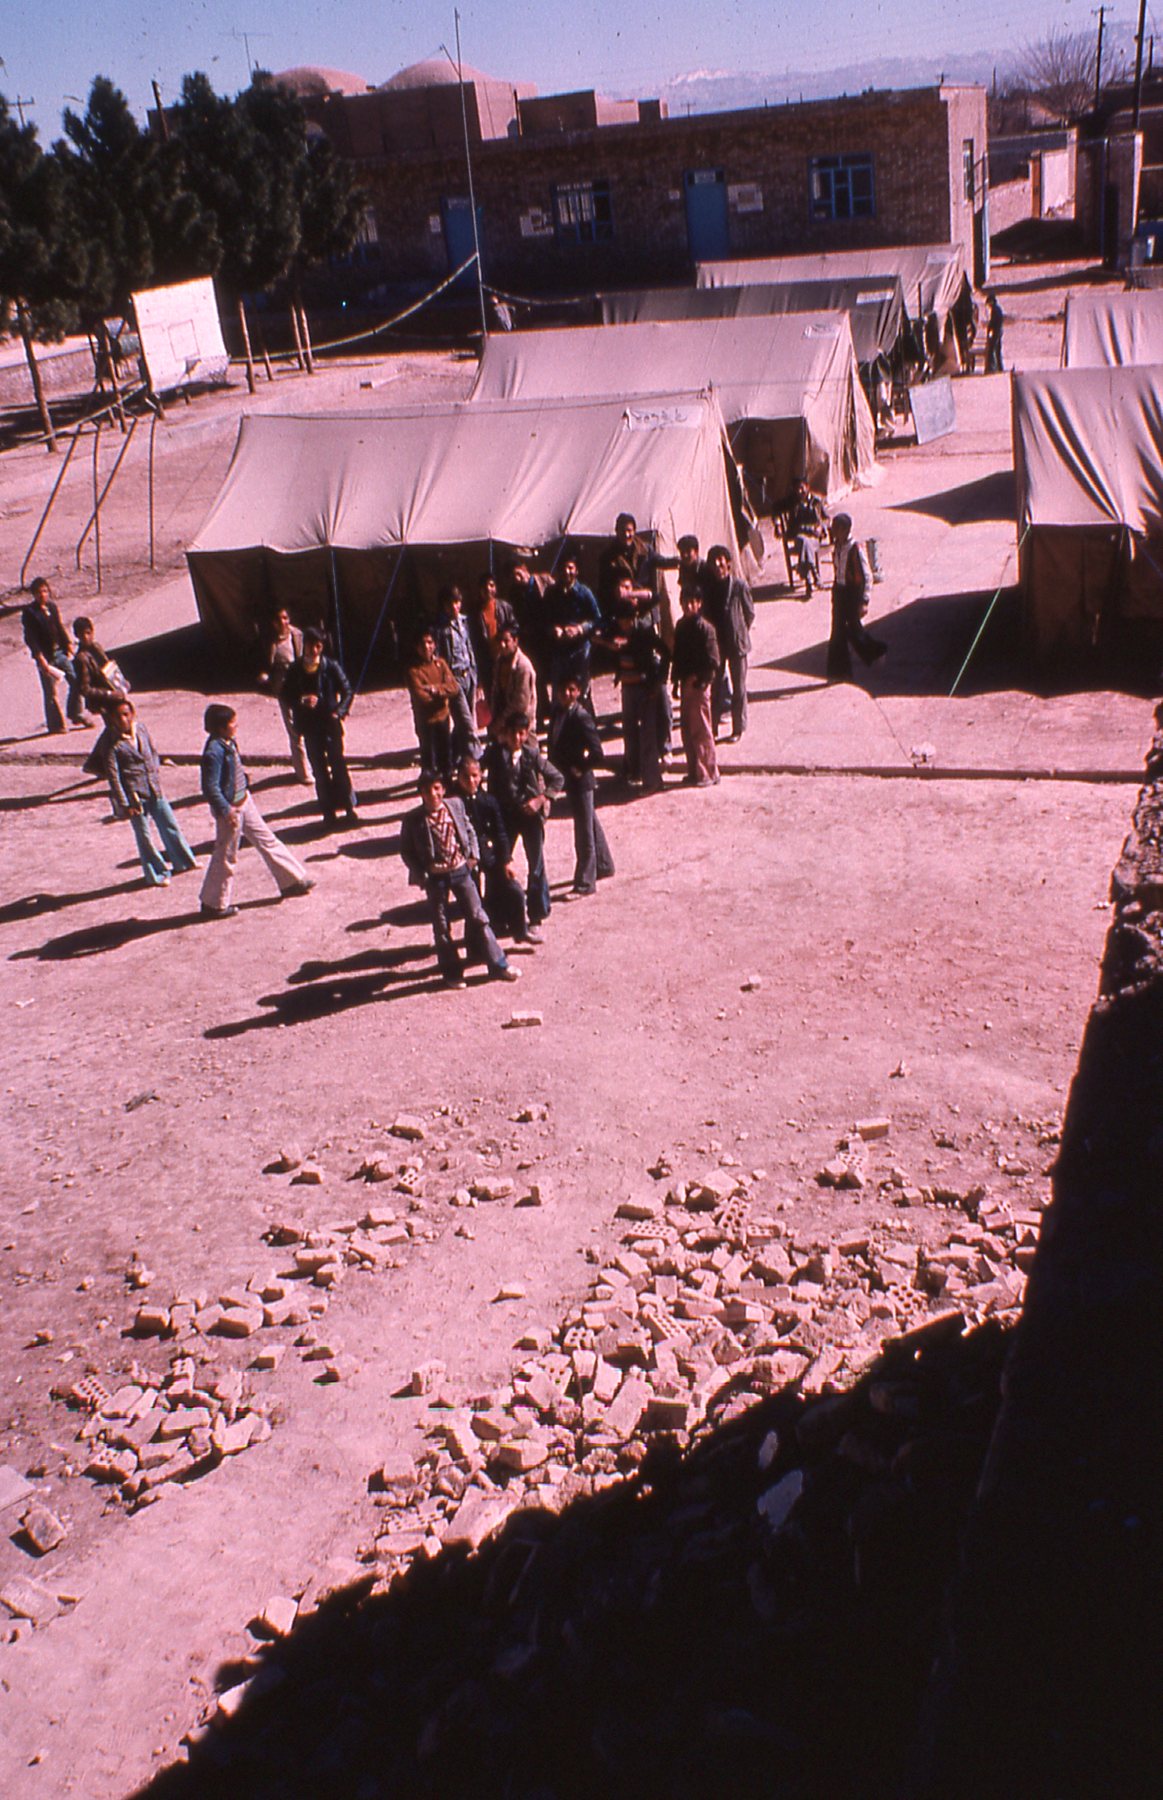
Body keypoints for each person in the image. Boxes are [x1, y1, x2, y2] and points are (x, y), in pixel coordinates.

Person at [399, 770, 520, 987]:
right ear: (421, 793)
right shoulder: (413, 819)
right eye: (427, 791)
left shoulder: (455, 805)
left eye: (437, 789)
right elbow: (406, 851)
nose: (433, 795)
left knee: (478, 917)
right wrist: (421, 872)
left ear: (443, 789)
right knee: (442, 927)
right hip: (435, 878)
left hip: (460, 871)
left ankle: (498, 964)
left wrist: (473, 856)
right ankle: (452, 972)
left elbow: (469, 829)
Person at [199, 704, 315, 919]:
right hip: (231, 809)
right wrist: (225, 810)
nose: (236, 726)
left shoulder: (228, 742)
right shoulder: (213, 753)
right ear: (221, 728)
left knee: (266, 839)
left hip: (244, 801)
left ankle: (291, 880)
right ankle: (213, 903)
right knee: (226, 855)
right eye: (232, 723)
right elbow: (210, 787)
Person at [104, 698, 198, 888]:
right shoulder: (112, 744)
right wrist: (124, 803)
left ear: (132, 714)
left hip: (154, 788)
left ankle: (183, 861)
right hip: (134, 797)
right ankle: (157, 873)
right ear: (112, 719)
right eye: (118, 716)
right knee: (144, 836)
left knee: (170, 824)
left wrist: (154, 772)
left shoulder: (141, 729)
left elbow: (153, 753)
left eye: (126, 714)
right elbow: (114, 777)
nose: (123, 720)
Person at [482, 713, 563, 929]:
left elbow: (557, 778)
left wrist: (541, 799)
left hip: (529, 816)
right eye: (512, 733)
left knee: (536, 864)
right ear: (505, 733)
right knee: (500, 861)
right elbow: (475, 769)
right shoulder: (495, 754)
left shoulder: (532, 755)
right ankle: (499, 914)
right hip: (505, 816)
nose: (516, 738)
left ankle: (537, 913)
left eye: (521, 733)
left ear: (526, 734)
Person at [452, 754, 541, 944]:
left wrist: (506, 860)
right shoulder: (454, 804)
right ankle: (476, 944)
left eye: (475, 776)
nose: (471, 781)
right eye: (466, 777)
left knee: (514, 890)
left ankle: (519, 930)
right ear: (458, 777)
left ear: (481, 776)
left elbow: (500, 833)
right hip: (465, 858)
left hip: (488, 853)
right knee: (473, 902)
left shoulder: (488, 801)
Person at [282, 627, 359, 829]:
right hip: (310, 727)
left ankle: (349, 808)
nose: (314, 650)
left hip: (330, 725)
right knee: (319, 771)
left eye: (318, 646)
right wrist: (301, 701)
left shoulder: (330, 666)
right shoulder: (295, 669)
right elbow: (285, 694)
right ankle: (328, 812)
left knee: (339, 766)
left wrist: (338, 712)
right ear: (304, 645)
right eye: (311, 645)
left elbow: (347, 691)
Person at [547, 675, 615, 897]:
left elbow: (597, 753)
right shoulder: (558, 712)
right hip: (568, 779)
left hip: (581, 781)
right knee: (589, 821)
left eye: (571, 690)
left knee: (583, 833)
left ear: (578, 692)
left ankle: (585, 883)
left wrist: (581, 768)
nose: (566, 694)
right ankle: (604, 864)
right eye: (562, 690)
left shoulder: (581, 716)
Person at [601, 589, 670, 792]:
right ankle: (634, 771)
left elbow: (665, 653)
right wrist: (611, 645)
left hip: (645, 687)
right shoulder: (615, 631)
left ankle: (653, 780)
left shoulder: (645, 632)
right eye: (622, 621)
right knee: (630, 732)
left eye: (628, 620)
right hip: (627, 687)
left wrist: (659, 681)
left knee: (648, 734)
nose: (625, 624)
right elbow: (597, 634)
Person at [670, 585, 721, 788]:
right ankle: (693, 771)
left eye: (693, 602)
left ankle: (708, 772)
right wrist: (676, 681)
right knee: (687, 729)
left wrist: (703, 680)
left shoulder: (706, 629)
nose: (689, 606)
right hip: (686, 683)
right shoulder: (681, 626)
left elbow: (713, 660)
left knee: (701, 729)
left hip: (700, 684)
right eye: (685, 602)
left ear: (699, 604)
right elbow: (677, 656)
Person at [22, 577, 86, 734]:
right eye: (39, 592)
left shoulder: (52, 607)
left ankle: (75, 713)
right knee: (51, 692)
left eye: (45, 591)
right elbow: (30, 638)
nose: (42, 595)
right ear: (34, 595)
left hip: (59, 653)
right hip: (46, 657)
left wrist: (68, 644)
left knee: (76, 680)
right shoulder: (30, 613)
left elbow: (59, 627)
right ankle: (56, 725)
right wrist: (40, 658)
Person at [826, 514, 887, 683]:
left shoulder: (855, 549)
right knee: (837, 632)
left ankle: (877, 651)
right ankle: (839, 672)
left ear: (845, 530)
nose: (834, 532)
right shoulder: (837, 547)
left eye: (836, 528)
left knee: (854, 629)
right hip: (839, 592)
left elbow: (867, 576)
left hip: (852, 593)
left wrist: (864, 601)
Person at [703, 545, 755, 742]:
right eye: (714, 563)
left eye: (721, 562)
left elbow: (749, 613)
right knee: (715, 687)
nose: (718, 567)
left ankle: (738, 728)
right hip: (717, 645)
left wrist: (739, 629)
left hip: (736, 644)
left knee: (739, 688)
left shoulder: (739, 586)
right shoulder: (708, 589)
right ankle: (713, 728)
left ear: (728, 564)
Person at [256, 608, 310, 784]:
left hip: (302, 687)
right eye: (279, 620)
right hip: (284, 689)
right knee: (295, 730)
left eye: (285, 618)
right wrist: (265, 676)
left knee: (310, 727)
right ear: (273, 623)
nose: (283, 623)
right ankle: (303, 772)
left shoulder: (297, 635)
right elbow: (265, 665)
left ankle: (314, 764)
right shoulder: (269, 642)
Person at [544, 553, 602, 703]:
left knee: (581, 691)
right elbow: (544, 619)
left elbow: (598, 619)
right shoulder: (551, 593)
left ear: (576, 571)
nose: (567, 572)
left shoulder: (584, 593)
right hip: (559, 649)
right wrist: (553, 629)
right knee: (559, 693)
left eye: (570, 568)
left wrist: (580, 629)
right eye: (563, 568)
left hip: (580, 649)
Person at [434, 585, 481, 761]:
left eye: (457, 602)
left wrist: (476, 677)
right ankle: (476, 757)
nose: (455, 607)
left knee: (465, 718)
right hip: (454, 678)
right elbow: (438, 656)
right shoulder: (440, 629)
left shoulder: (465, 622)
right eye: (450, 604)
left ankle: (453, 755)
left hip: (469, 675)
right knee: (467, 722)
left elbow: (470, 648)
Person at [407, 631, 460, 780]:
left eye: (430, 643)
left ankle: (447, 784)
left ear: (435, 645)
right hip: (426, 721)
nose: (426, 647)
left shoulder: (441, 664)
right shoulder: (414, 671)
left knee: (446, 757)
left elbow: (454, 688)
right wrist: (443, 693)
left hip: (443, 717)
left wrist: (434, 689)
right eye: (422, 644)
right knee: (429, 759)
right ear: (417, 648)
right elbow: (421, 697)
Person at [467, 572, 517, 691]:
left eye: (491, 585)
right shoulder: (475, 613)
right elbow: (474, 640)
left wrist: (504, 641)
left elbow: (514, 628)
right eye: (484, 587)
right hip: (487, 661)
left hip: (505, 657)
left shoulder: (505, 607)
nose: (488, 589)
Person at [489, 622, 538, 741]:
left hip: (521, 726)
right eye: (500, 641)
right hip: (504, 723)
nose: (502, 645)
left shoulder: (523, 666)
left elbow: (520, 704)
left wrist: (500, 723)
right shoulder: (499, 661)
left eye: (506, 641)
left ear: (515, 641)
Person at [787, 483, 828, 594]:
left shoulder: (816, 501)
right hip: (799, 537)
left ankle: (808, 581)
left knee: (805, 544)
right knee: (804, 541)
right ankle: (814, 576)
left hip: (814, 537)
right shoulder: (794, 505)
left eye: (802, 488)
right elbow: (792, 527)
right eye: (797, 489)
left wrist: (822, 527)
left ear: (807, 487)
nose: (800, 491)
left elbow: (826, 518)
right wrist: (808, 529)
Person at [985, 291, 1004, 374]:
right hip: (998, 332)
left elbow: (993, 322)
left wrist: (990, 329)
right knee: (997, 350)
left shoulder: (995, 310)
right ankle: (999, 367)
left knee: (992, 350)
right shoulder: (997, 309)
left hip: (995, 332)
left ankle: (992, 368)